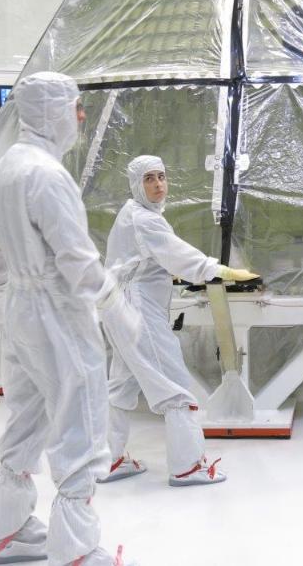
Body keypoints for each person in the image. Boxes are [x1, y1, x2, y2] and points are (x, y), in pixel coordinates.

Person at [0, 71, 139, 566]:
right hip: (56, 312)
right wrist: (116, 304)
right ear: (54, 111)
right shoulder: (48, 176)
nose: (81, 117)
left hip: (19, 312)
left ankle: (7, 532)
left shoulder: (7, 166)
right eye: (75, 107)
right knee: (80, 421)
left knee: (26, 418)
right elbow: (75, 260)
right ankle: (75, 549)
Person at [98, 155, 258, 486]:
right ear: (136, 184)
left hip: (118, 308)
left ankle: (107, 460)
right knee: (174, 387)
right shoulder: (145, 220)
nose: (158, 185)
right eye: (149, 179)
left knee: (121, 386)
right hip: (138, 312)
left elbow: (141, 260)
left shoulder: (131, 214)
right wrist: (221, 271)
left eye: (162, 176)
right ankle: (187, 466)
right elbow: (180, 256)